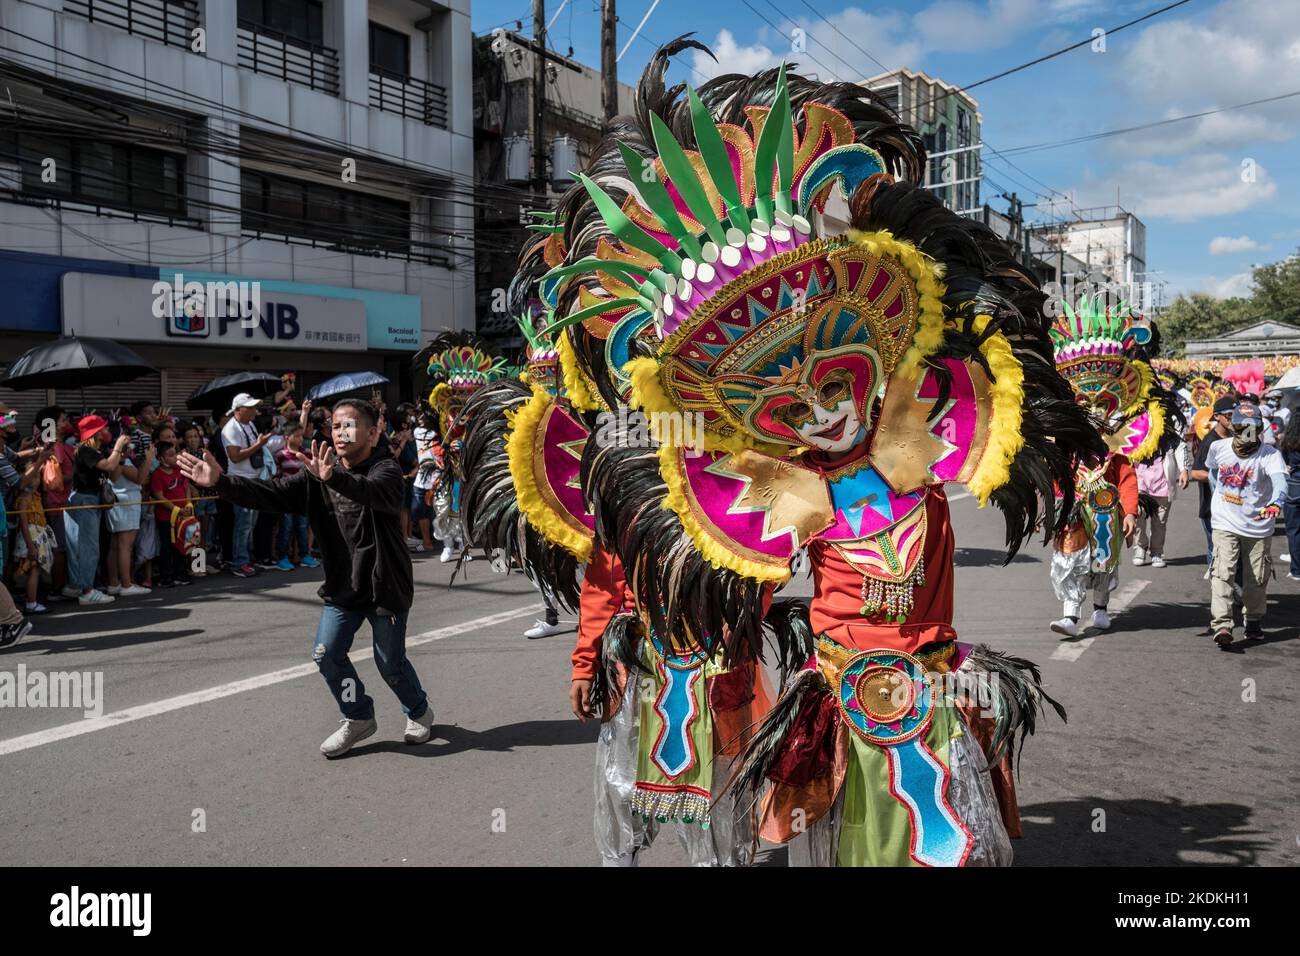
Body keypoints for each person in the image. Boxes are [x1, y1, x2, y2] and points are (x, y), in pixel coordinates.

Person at [179, 398, 436, 757]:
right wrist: (221, 482)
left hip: (384, 586)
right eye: (335, 426)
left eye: (349, 425)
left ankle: (418, 710)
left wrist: (335, 477)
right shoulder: (317, 475)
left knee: (390, 663)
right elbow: (271, 494)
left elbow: (377, 495)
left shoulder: (386, 470)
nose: (341, 432)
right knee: (326, 654)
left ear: (373, 432)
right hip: (343, 588)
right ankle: (358, 715)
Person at [1204, 402, 1288, 647]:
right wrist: (1217, 496)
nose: (1247, 433)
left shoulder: (1270, 455)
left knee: (1256, 578)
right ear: (1233, 427)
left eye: (1253, 427)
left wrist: (1275, 502)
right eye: (1242, 427)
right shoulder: (1218, 447)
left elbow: (1280, 482)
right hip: (1224, 522)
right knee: (1222, 572)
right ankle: (1222, 625)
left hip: (1258, 526)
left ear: (1260, 429)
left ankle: (1252, 621)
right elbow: (1211, 472)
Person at [66, 416, 129, 605]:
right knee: (88, 546)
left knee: (82, 545)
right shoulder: (85, 450)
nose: (106, 432)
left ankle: (78, 585)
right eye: (103, 429)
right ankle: (87, 590)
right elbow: (108, 465)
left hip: (92, 500)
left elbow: (114, 474)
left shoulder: (96, 451)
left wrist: (121, 456)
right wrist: (118, 446)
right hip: (85, 500)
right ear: (95, 432)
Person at [221, 393, 270, 578]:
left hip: (253, 479)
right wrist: (259, 445)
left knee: (250, 524)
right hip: (241, 481)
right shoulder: (231, 428)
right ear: (239, 410)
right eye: (250, 407)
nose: (254, 411)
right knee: (243, 525)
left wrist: (260, 445)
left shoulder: (248, 424)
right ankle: (239, 563)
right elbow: (235, 456)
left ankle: (245, 560)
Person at [1190, 396, 1237, 579]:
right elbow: (1196, 472)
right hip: (1212, 508)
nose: (1234, 419)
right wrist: (1223, 477)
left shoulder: (1239, 437)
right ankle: (1219, 587)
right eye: (1229, 415)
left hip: (1234, 507)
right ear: (1217, 417)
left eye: (1237, 415)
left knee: (1232, 552)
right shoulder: (1211, 441)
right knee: (1215, 549)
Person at [33, 406, 76, 598]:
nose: (67, 424)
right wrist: (78, 472)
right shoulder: (54, 446)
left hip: (63, 503)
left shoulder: (56, 444)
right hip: (58, 503)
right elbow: (54, 480)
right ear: (51, 424)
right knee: (61, 548)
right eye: (63, 420)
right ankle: (59, 587)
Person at [104, 435, 153, 597]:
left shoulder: (116, 460)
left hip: (119, 503)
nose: (131, 447)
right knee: (125, 546)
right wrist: (149, 458)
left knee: (115, 546)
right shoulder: (120, 461)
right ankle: (126, 584)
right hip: (126, 504)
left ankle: (114, 583)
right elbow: (141, 479)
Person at [1133, 444, 1188, 569]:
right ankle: (1140, 547)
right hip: (1140, 482)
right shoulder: (1137, 427)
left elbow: (1180, 447)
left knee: (1159, 522)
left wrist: (1184, 470)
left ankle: (1156, 552)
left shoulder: (1168, 430)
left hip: (1162, 485)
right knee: (1138, 516)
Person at [273, 423, 318, 570]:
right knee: (286, 527)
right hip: (286, 497)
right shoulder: (280, 455)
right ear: (287, 437)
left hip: (303, 497)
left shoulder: (306, 453)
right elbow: (276, 476)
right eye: (297, 436)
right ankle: (283, 557)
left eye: (301, 436)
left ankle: (304, 555)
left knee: (302, 526)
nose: (300, 439)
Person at [149, 441, 194, 587]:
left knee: (182, 545)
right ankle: (166, 576)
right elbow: (158, 495)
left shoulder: (179, 470)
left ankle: (180, 573)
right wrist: (175, 509)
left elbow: (186, 488)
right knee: (167, 546)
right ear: (161, 459)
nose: (175, 457)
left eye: (175, 453)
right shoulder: (157, 475)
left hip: (183, 516)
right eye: (170, 455)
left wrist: (188, 504)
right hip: (166, 518)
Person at [1280, 413, 1300, 582]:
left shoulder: (1289, 440)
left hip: (1294, 484)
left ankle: (1296, 569)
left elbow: (1284, 462)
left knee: (1293, 531)